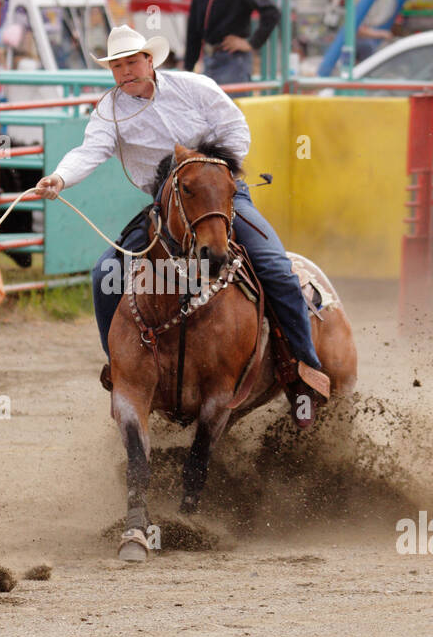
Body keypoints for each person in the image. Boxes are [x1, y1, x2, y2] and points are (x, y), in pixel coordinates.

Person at [32, 25, 328, 419]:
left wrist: (210, 171)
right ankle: (119, 366)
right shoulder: (110, 111)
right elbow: (91, 151)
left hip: (220, 195)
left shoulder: (195, 87)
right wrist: (60, 178)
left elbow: (235, 128)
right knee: (106, 272)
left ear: (149, 60)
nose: (125, 71)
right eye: (117, 66)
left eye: (132, 62)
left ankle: (302, 367)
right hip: (168, 207)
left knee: (274, 265)